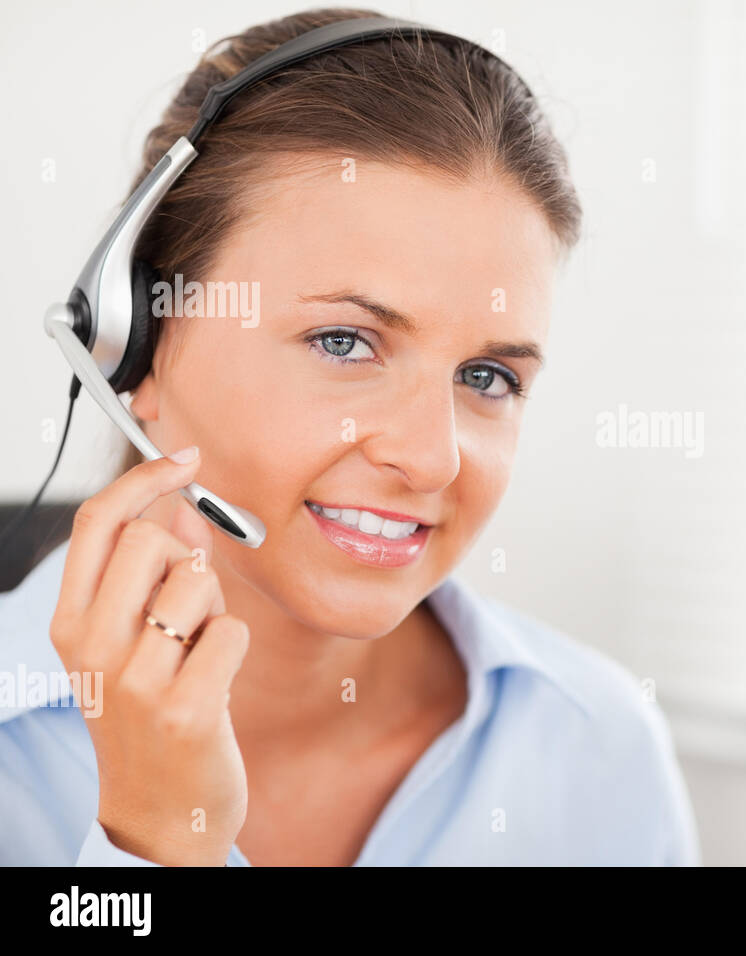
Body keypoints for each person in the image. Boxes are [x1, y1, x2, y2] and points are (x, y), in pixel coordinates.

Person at [0, 7, 700, 866]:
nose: (432, 456)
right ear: (132, 344)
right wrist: (149, 846)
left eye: (488, 378)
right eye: (344, 342)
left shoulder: (596, 744)